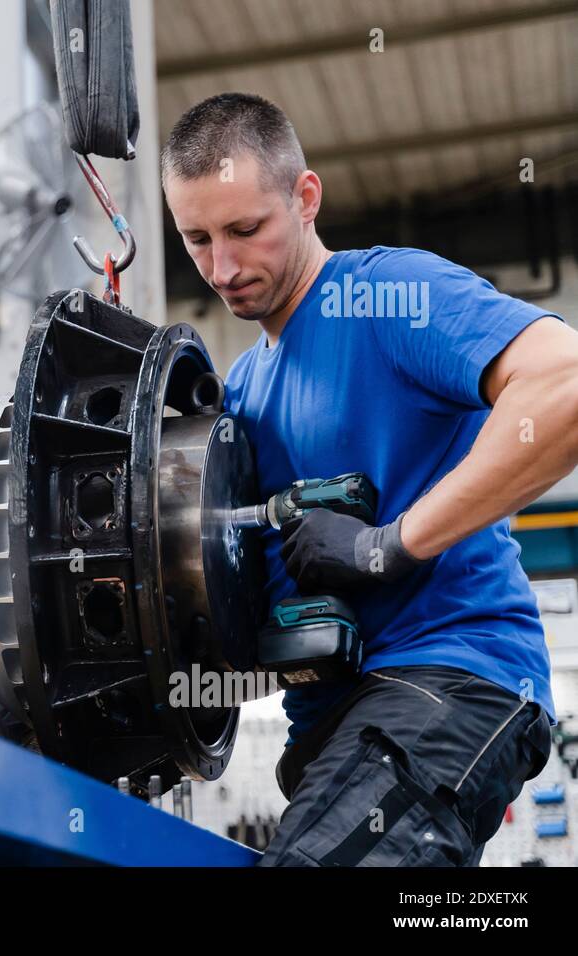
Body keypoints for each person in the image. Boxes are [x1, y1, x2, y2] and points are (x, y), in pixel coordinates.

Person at [160, 91, 572, 866]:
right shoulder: (243, 391)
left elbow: (564, 389)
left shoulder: (387, 299)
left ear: (306, 197)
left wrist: (390, 545)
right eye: (197, 240)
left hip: (451, 680)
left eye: (247, 230)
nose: (223, 267)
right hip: (332, 727)